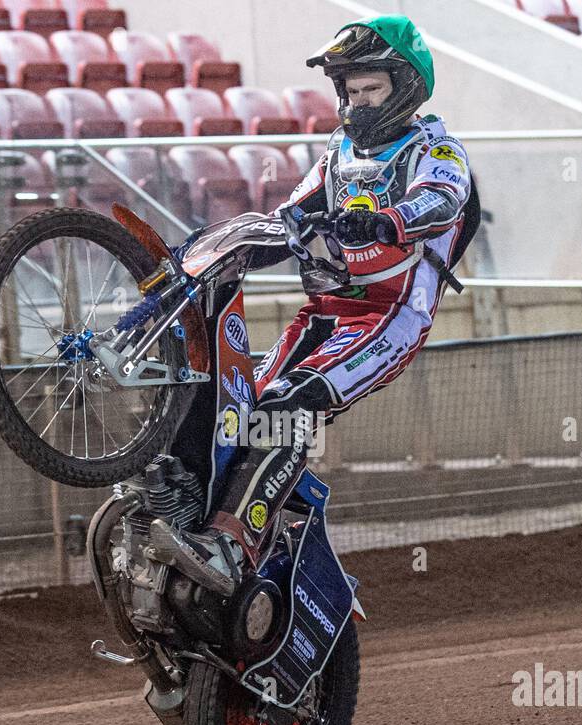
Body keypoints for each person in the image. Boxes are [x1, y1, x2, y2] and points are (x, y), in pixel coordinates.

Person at [159, 14, 480, 587]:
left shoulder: (436, 147)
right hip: (323, 312)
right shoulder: (338, 151)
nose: (357, 101)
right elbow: (295, 216)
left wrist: (385, 221)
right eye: (349, 90)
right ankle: (182, 502)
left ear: (405, 85)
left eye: (371, 88)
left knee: (291, 406)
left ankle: (232, 546)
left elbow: (442, 201)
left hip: (388, 317)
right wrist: (239, 248)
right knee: (241, 402)